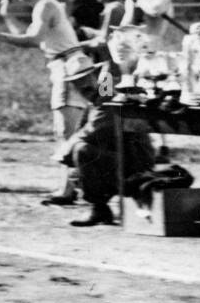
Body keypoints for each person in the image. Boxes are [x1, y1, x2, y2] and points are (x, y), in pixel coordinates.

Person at [0, 0, 86, 205]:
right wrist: (7, 17)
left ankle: (68, 189)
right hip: (65, 66)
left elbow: (32, 40)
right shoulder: (45, 6)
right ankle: (70, 186)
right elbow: (29, 36)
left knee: (66, 131)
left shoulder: (46, 6)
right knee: (64, 131)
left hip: (68, 67)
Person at [54, 53, 157, 227]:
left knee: (82, 150)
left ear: (95, 75)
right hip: (124, 158)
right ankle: (99, 209)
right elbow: (85, 129)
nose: (83, 85)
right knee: (81, 153)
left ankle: (99, 208)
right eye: (77, 82)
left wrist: (65, 152)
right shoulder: (96, 97)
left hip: (136, 162)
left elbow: (96, 128)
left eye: (86, 79)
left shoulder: (106, 90)